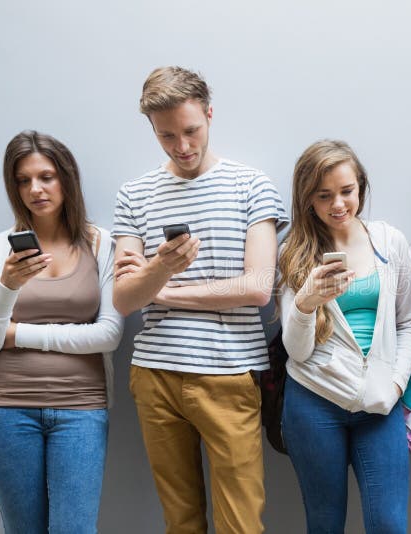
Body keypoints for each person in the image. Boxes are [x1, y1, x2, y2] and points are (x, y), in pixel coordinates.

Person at [111, 66, 288, 533]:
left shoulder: (252, 186)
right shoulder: (134, 195)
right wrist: (161, 269)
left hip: (231, 374)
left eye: (191, 130)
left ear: (210, 114)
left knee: (240, 523)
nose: (182, 146)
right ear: (152, 128)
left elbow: (256, 288)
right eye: (166, 136)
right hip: (155, 376)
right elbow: (125, 300)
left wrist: (164, 287)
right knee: (181, 521)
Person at [0, 130, 124, 533]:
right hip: (3, 411)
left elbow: (108, 334)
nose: (35, 189)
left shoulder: (100, 243)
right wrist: (6, 287)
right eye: (23, 180)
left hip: (81, 411)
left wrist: (18, 333)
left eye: (46, 176)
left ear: (66, 179)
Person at [277, 140, 411, 534]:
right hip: (314, 400)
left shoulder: (389, 242)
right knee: (324, 524)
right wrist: (306, 302)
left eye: (346, 191)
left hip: (379, 401)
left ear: (361, 186)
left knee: (389, 524)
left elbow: (409, 323)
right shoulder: (293, 252)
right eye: (324, 196)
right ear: (307, 199)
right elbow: (297, 351)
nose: (338, 204)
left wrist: (394, 384)